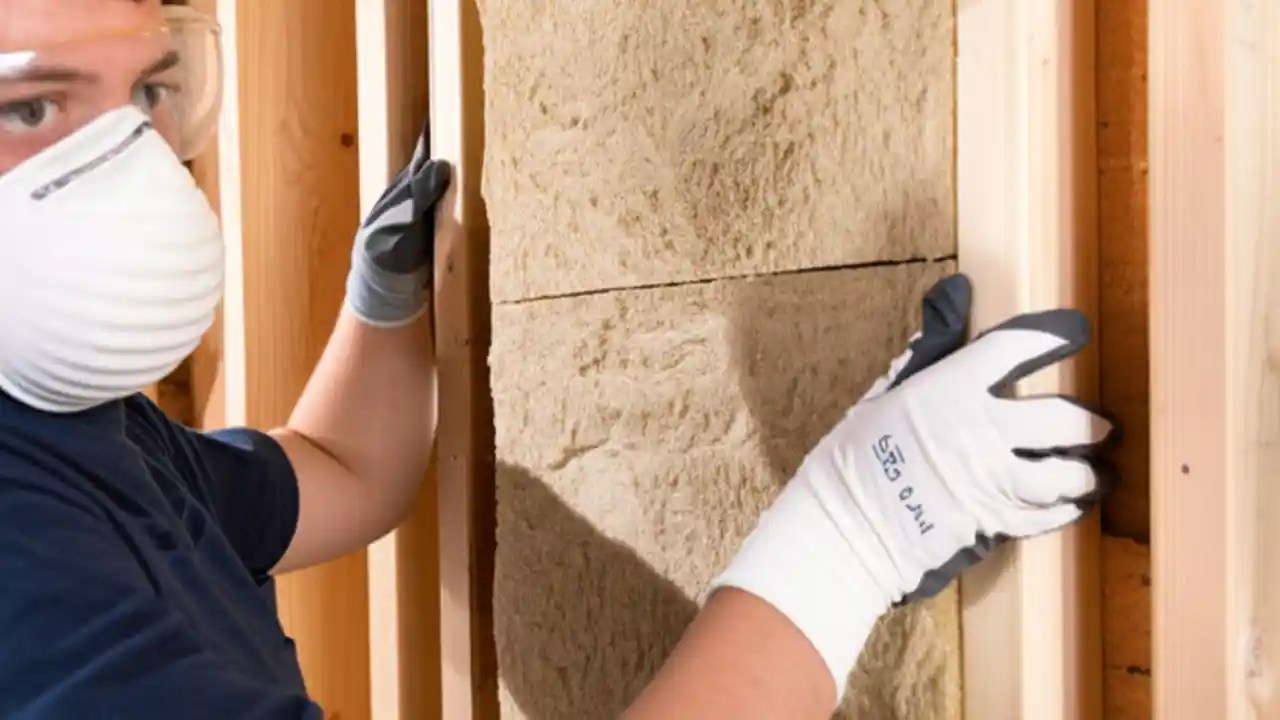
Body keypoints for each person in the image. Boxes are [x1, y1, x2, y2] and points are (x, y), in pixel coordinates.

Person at [0, 1, 1119, 718]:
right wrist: (850, 533)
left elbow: (340, 471)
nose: (131, 168)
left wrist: (384, 307)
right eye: (31, 106)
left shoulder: (80, 433)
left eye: (151, 92)